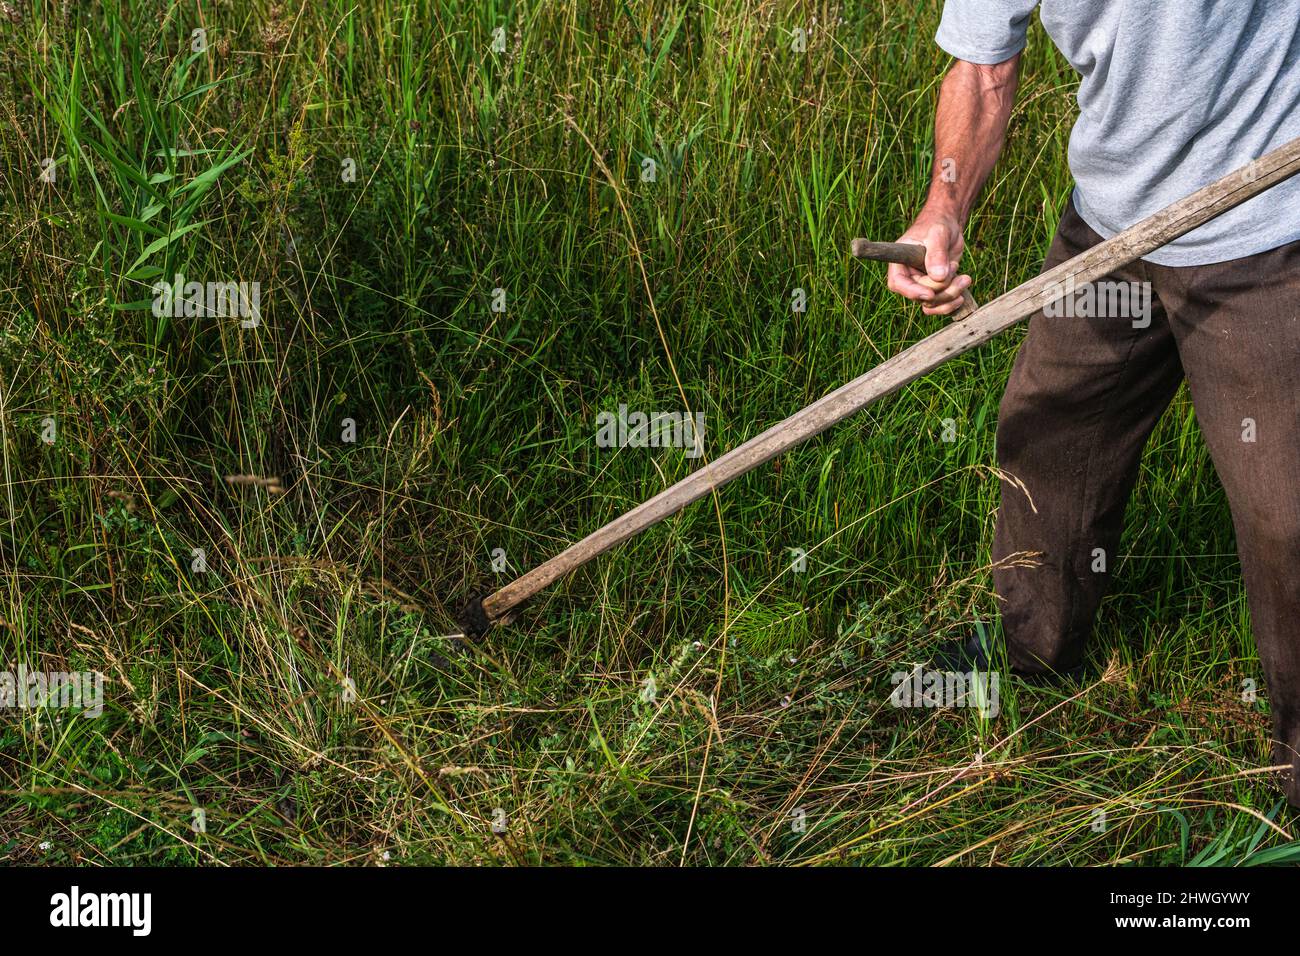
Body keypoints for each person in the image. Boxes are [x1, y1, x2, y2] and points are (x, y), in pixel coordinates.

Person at [891, 1, 1300, 804]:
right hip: (1109, 233)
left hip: (1264, 234)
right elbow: (980, 71)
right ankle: (1031, 645)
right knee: (1047, 437)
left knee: (1288, 511)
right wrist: (944, 206)